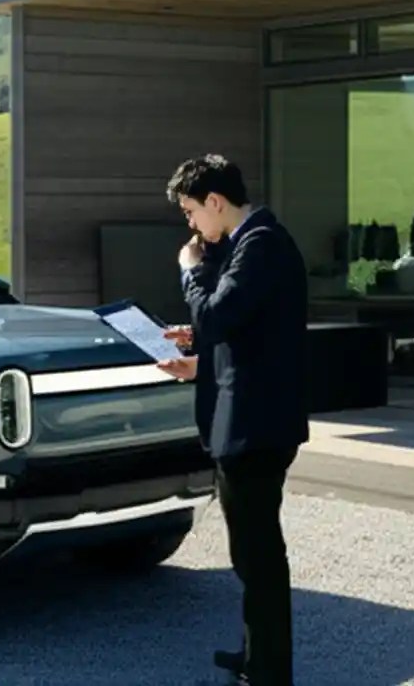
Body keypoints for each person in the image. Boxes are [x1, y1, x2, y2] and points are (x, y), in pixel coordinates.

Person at [156, 154, 309, 686]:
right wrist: (198, 358)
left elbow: (219, 314)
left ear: (215, 202)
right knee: (251, 553)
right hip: (254, 418)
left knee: (258, 556)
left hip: (255, 425)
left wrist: (190, 269)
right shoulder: (252, 243)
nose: (191, 224)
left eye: (191, 211)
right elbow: (248, 332)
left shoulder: (260, 243)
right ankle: (255, 656)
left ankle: (269, 672)